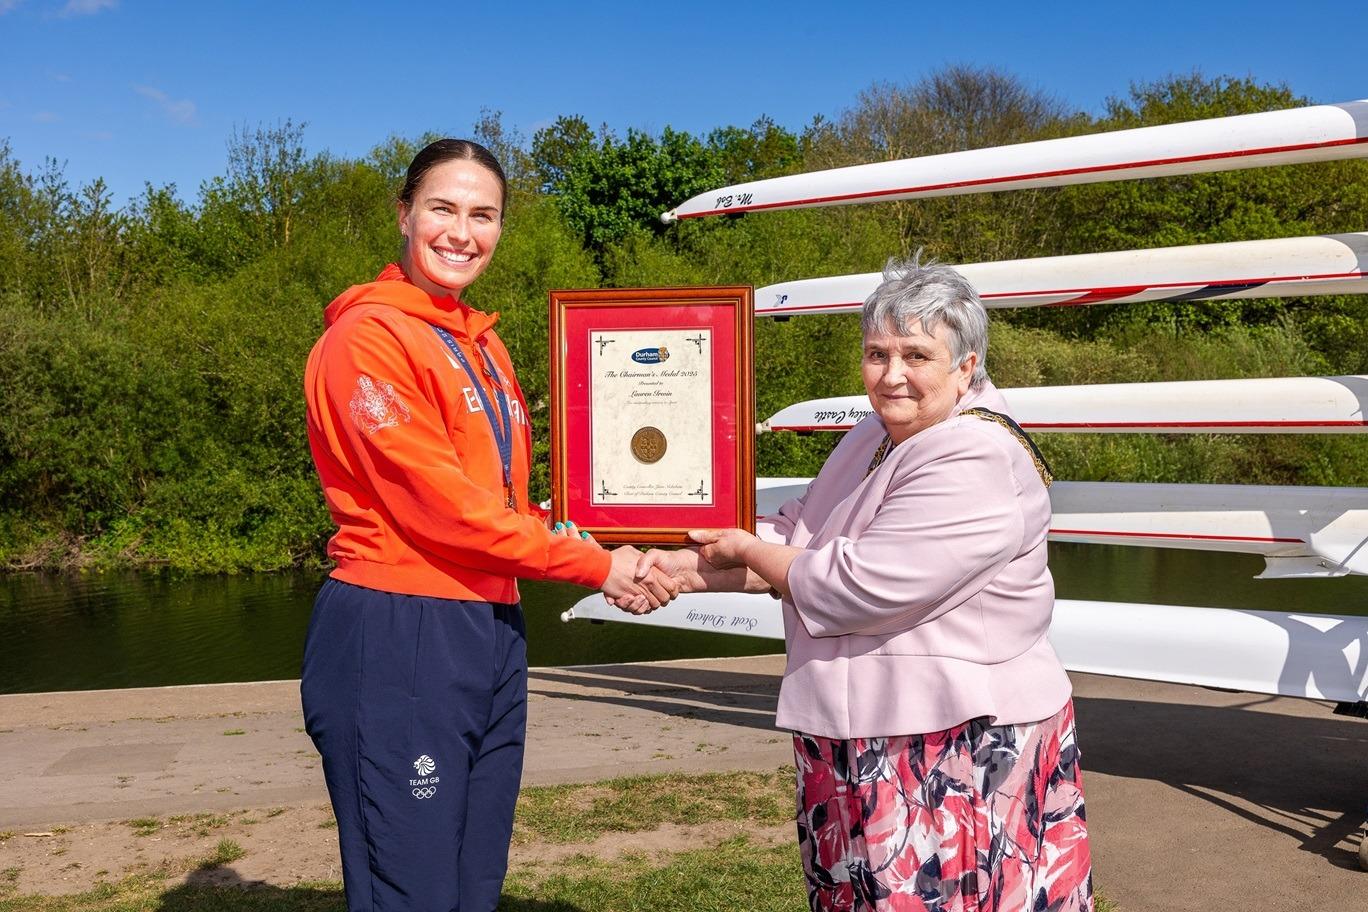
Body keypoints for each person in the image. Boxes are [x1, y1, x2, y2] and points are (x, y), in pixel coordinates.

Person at [635, 254, 1092, 911]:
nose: (893, 374)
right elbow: (800, 536)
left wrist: (744, 550)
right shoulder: (877, 432)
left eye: (916, 354)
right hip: (866, 737)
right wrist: (682, 561)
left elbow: (861, 585)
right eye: (877, 354)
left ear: (967, 366)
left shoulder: (977, 455)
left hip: (946, 746)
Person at [301, 138, 675, 912]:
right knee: (413, 886)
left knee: (474, 881)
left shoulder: (482, 342)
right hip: (401, 625)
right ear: (404, 214)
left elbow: (505, 505)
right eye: (443, 208)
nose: (461, 232)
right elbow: (445, 511)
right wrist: (598, 569)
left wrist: (610, 543)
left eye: (484, 215)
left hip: (488, 623)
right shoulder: (368, 339)